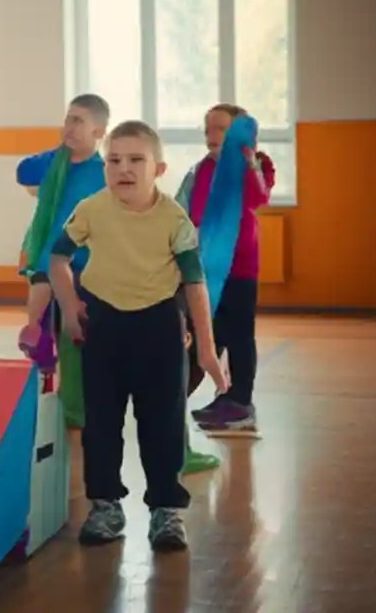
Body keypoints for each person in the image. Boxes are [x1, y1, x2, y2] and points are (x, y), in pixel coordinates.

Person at [48, 120, 229, 552]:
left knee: (162, 423)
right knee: (102, 423)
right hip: (105, 325)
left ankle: (166, 511)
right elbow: (57, 258)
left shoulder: (173, 217)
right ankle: (105, 506)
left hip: (159, 327)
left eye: (135, 160)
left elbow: (195, 283)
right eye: (113, 160)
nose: (123, 169)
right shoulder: (92, 208)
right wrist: (71, 307)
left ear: (159, 168)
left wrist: (205, 348)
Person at [176, 104, 275, 433]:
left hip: (241, 267)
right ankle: (212, 395)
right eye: (207, 129)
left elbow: (258, 197)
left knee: (240, 336)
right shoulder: (201, 169)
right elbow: (185, 210)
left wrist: (249, 163)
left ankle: (240, 401)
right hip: (207, 268)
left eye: (220, 129)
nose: (211, 136)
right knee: (207, 331)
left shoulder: (256, 165)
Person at [14, 94, 109, 427]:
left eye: (78, 121)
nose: (69, 127)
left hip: (85, 264)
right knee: (42, 290)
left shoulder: (103, 172)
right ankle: (35, 333)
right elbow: (23, 171)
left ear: (99, 131)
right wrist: (56, 156)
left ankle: (80, 404)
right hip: (51, 257)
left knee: (78, 338)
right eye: (68, 119)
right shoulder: (57, 164)